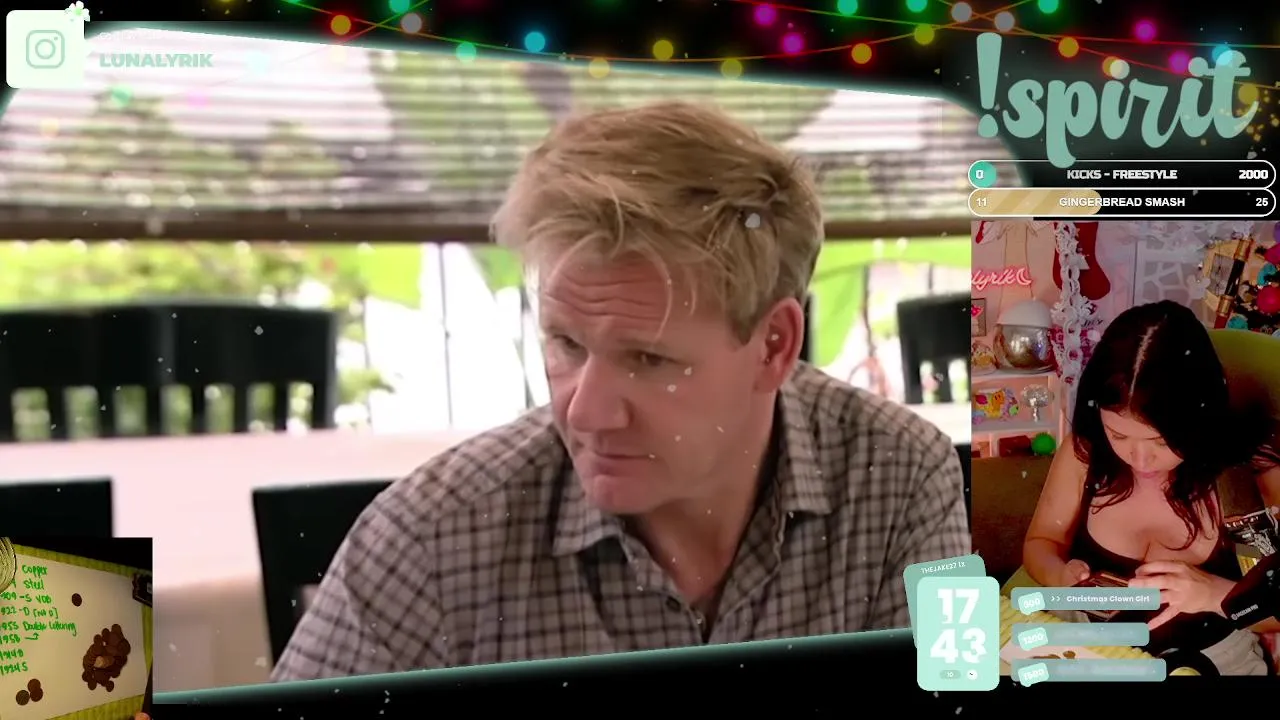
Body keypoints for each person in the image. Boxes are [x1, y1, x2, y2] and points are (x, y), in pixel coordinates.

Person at [271, 100, 969, 680]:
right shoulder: (434, 538)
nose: (585, 411)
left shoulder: (903, 477)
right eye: (566, 344)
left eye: (648, 358)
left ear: (774, 346)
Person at [1023, 300, 1280, 675]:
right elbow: (1042, 542)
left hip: (1215, 655)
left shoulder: (1247, 475)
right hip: (1088, 643)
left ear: (1201, 417)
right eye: (1118, 435)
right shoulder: (1086, 452)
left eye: (1162, 441)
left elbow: (1274, 612)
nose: (1140, 460)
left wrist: (1214, 593)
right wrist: (1059, 577)